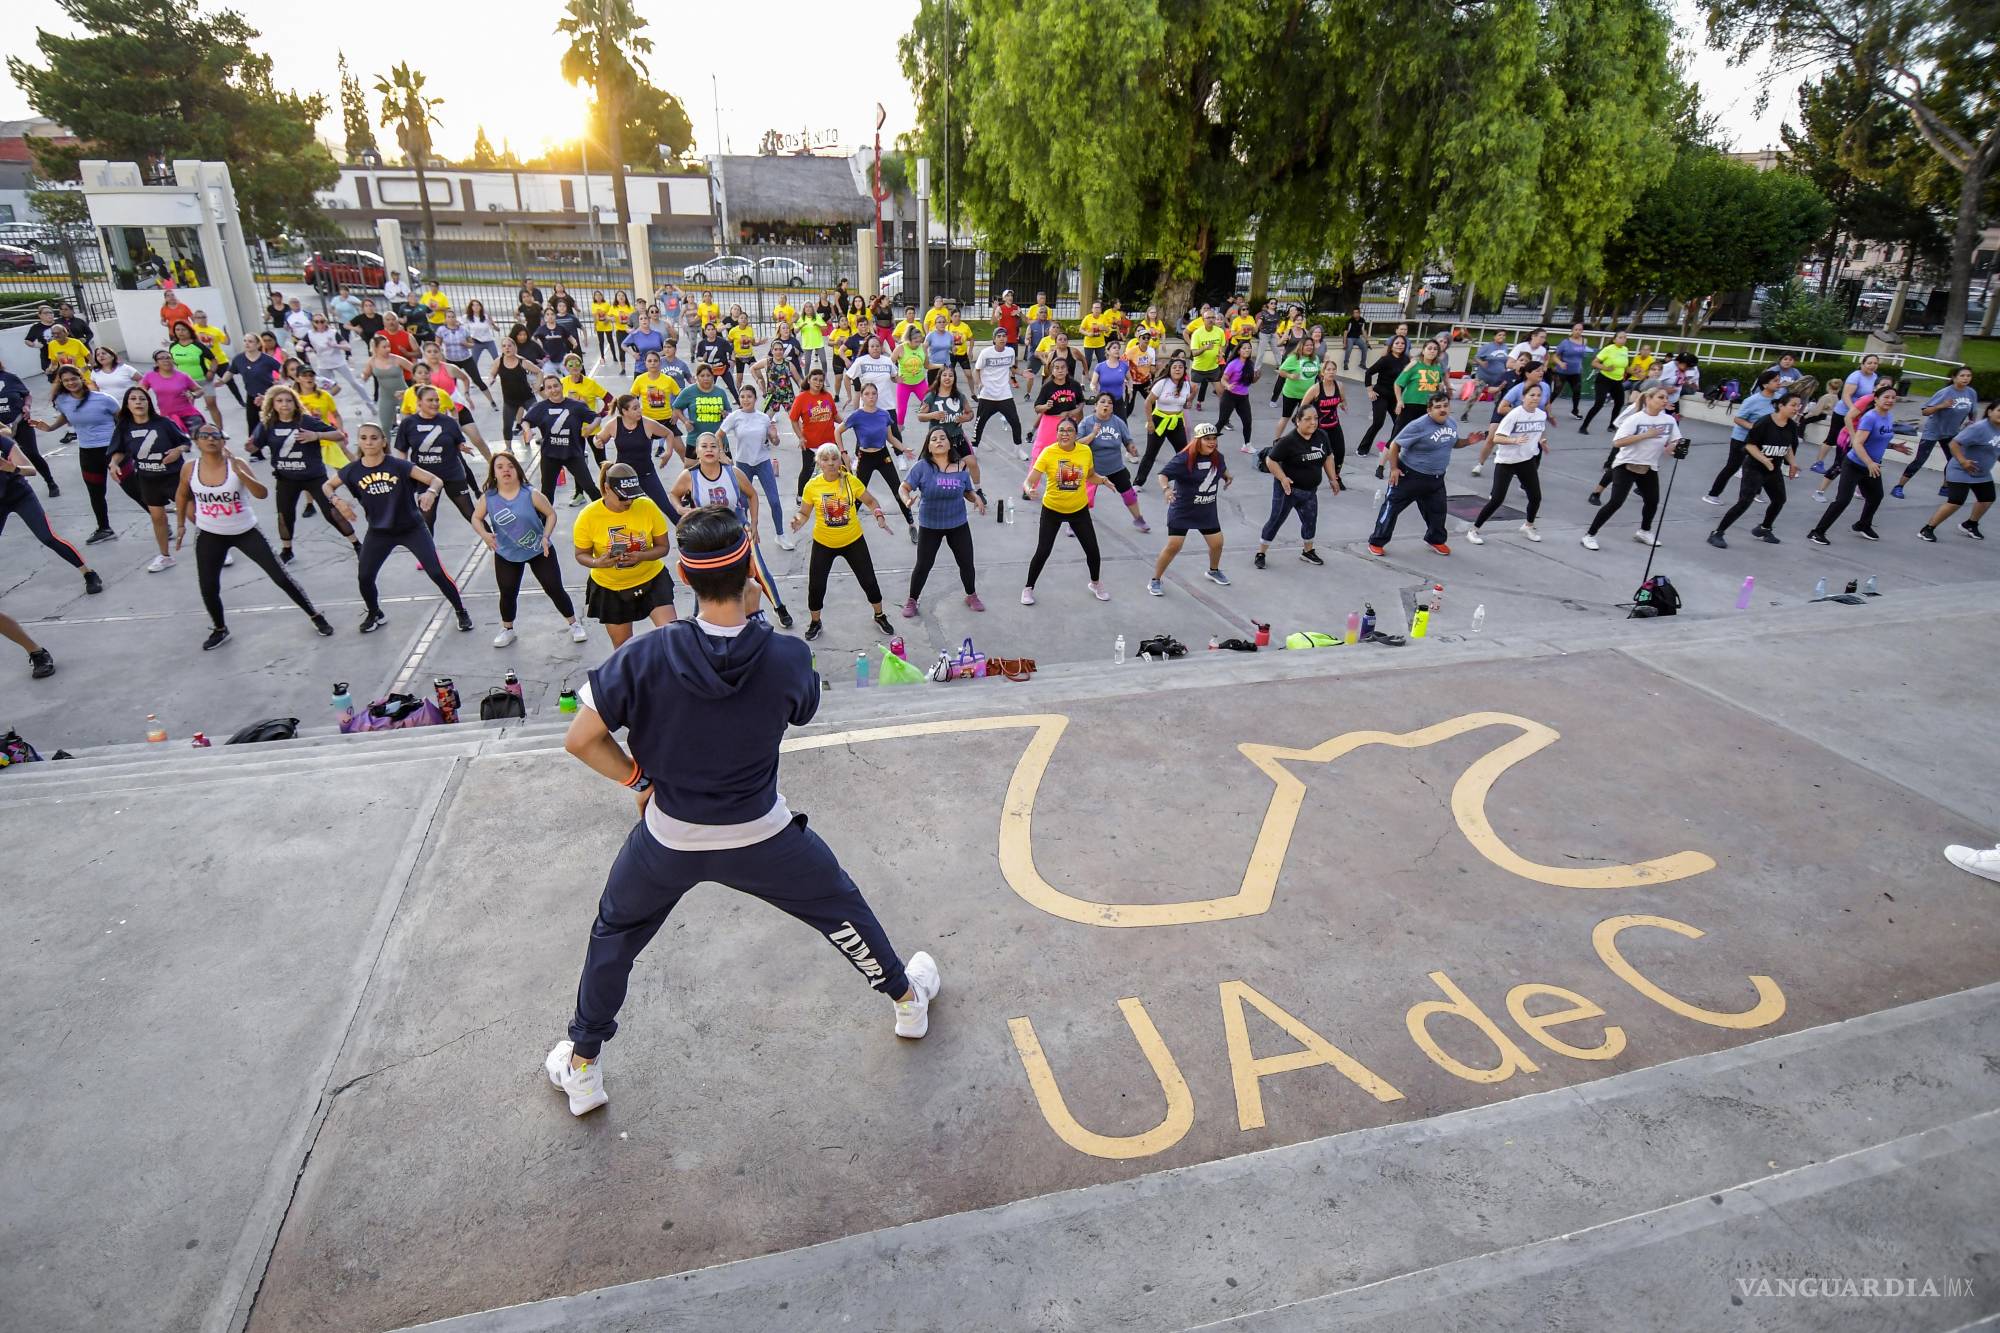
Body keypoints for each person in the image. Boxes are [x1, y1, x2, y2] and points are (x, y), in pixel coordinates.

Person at [542, 505, 942, 1118]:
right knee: (839, 908)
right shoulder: (785, 656)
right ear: (749, 569)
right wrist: (754, 622)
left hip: (669, 836)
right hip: (763, 832)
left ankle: (585, 1064)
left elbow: (580, 740)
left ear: (683, 574)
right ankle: (906, 1001)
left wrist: (638, 777)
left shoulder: (643, 657)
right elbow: (800, 706)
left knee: (616, 936)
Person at [171, 422, 333, 650]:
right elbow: (181, 494)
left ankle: (315, 615)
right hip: (210, 534)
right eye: (204, 436)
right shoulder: (189, 468)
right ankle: (220, 628)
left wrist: (240, 472)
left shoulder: (237, 464)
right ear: (196, 441)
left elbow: (261, 493)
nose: (210, 439)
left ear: (223, 440)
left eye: (215, 435)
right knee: (208, 586)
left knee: (281, 577)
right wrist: (181, 525)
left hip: (245, 530)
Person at [324, 423, 474, 635]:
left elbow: (435, 479)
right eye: (364, 437)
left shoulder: (399, 465)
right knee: (365, 576)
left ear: (384, 441)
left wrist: (430, 492)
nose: (369, 442)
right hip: (379, 532)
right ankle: (375, 612)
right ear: (359, 441)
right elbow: (327, 485)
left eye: (374, 438)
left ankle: (461, 610)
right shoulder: (352, 470)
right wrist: (337, 500)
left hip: (411, 528)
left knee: (436, 572)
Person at [671, 430, 793, 630]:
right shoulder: (689, 476)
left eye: (714, 446)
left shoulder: (733, 472)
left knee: (758, 570)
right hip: (708, 534)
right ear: (697, 452)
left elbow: (753, 495)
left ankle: (779, 607)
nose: (709, 449)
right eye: (705, 446)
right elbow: (674, 495)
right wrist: (679, 508)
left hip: (737, 528)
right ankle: (698, 618)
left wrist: (754, 524)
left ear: (721, 451)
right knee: (703, 575)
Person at [473, 450, 587, 647]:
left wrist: (545, 536)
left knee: (554, 588)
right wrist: (484, 534)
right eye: (500, 467)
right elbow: (476, 517)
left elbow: (551, 514)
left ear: (517, 470)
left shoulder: (531, 494)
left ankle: (574, 624)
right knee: (507, 591)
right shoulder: (489, 498)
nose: (505, 470)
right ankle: (507, 629)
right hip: (507, 553)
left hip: (538, 550)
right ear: (493, 472)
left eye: (509, 466)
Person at [793, 443, 896, 639]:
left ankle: (879, 615)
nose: (831, 463)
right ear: (819, 463)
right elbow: (804, 512)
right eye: (825, 460)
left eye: (834, 459)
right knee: (816, 586)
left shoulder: (851, 481)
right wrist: (797, 521)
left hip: (853, 540)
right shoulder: (812, 486)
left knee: (869, 580)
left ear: (840, 461)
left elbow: (871, 501)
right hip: (823, 543)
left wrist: (879, 516)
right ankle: (815, 622)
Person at [1368, 392, 1484, 557]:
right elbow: (1395, 445)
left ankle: (1435, 539)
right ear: (1429, 410)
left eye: (1445, 405)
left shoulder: (1451, 423)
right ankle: (1377, 542)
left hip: (1436, 478)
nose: (1442, 410)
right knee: (1391, 508)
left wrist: (1467, 442)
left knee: (1438, 511)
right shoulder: (1418, 426)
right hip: (1409, 476)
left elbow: (1453, 442)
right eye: (1438, 407)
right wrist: (1394, 469)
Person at [252, 385, 359, 563]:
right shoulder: (268, 424)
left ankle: (357, 544)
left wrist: (316, 435)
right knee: (284, 515)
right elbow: (254, 446)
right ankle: (287, 550)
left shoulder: (306, 421)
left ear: (295, 403)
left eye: (288, 400)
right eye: (279, 401)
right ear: (272, 404)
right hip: (286, 478)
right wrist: (250, 445)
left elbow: (338, 434)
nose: (284, 404)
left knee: (332, 513)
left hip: (314, 477)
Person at [574, 463, 677, 647]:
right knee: (623, 647)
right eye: (623, 497)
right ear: (607, 489)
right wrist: (598, 562)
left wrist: (642, 556)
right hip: (611, 588)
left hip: (651, 579)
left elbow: (663, 547)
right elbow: (581, 554)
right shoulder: (588, 516)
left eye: (633, 496)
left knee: (672, 635)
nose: (629, 502)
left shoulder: (647, 506)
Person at [0, 424, 103, 595]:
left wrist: (12, 468)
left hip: (20, 496)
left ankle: (89, 574)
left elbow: (31, 470)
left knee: (48, 537)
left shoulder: (3, 443)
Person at [1581, 385, 1682, 551]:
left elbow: (1674, 441)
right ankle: (1589, 535)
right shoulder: (1635, 419)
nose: (1665, 401)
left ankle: (1644, 531)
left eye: (1666, 398)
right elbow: (1618, 442)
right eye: (1661, 397)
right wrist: (1645, 435)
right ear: (1649, 399)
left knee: (1652, 501)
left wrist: (1674, 448)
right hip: (1626, 465)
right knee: (1615, 502)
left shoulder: (1669, 420)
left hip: (1648, 466)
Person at [1021, 418, 1110, 605]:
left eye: (1069, 430)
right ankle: (1028, 588)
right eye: (1061, 430)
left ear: (1076, 434)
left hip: (1078, 510)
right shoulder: (1049, 453)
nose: (1065, 434)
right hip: (1052, 509)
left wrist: (1103, 480)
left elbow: (1091, 475)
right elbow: (1029, 481)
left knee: (1093, 550)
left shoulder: (1085, 451)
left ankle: (1095, 583)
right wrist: (1029, 490)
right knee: (1043, 551)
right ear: (1057, 433)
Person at [899, 425, 986, 616]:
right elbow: (903, 487)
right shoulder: (922, 467)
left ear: (949, 443)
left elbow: (966, 491)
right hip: (931, 525)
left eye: (942, 438)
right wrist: (907, 499)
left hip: (957, 523)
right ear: (928, 447)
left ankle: (971, 595)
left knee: (966, 562)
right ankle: (912, 600)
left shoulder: (961, 466)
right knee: (923, 564)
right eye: (934, 439)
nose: (938, 441)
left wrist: (975, 497)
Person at [1808, 384, 1907, 546]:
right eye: (1886, 397)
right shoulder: (1870, 417)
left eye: (1893, 397)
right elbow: (1858, 444)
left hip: (1870, 466)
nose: (1890, 400)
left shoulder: (1888, 416)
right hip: (1855, 464)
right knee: (1843, 500)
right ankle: (1817, 532)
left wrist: (1893, 446)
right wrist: (1869, 462)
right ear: (1876, 399)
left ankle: (1863, 525)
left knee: (1876, 497)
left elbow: (1878, 438)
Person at [109, 386, 193, 572]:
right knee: (157, 518)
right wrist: (114, 464)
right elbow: (119, 450)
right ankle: (165, 556)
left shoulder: (163, 423)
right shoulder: (124, 426)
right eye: (133, 399)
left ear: (149, 402)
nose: (138, 402)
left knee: (192, 514)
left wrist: (177, 451)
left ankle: (219, 547)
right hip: (148, 479)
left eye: (142, 398)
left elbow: (186, 443)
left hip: (174, 477)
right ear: (127, 404)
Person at [32, 366, 120, 541]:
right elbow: (66, 416)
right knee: (95, 492)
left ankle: (159, 517)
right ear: (62, 383)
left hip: (112, 450)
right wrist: (50, 428)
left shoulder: (103, 399)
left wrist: (123, 445)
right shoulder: (62, 400)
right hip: (88, 452)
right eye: (66, 380)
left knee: (134, 487)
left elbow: (122, 420)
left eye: (74, 378)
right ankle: (104, 528)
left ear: (81, 378)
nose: (71, 383)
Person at [1707, 391, 1803, 549]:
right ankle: (1717, 532)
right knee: (1745, 501)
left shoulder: (1792, 426)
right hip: (1755, 467)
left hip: (1773, 468)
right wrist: (1764, 459)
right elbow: (1750, 445)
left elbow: (1788, 447)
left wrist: (1792, 464)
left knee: (1779, 499)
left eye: (1798, 406)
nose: (1796, 409)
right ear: (1781, 405)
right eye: (1793, 405)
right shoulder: (1764, 422)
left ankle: (1764, 528)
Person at [1149, 421, 1233, 593]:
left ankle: (1213, 571)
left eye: (1214, 439)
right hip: (1183, 509)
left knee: (1217, 543)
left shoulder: (1218, 456)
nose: (1212, 442)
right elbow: (1163, 474)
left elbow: (1220, 469)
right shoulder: (1184, 458)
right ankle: (1155, 580)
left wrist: (1227, 476)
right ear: (1198, 440)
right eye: (1207, 439)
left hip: (1206, 510)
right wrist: (1166, 490)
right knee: (1174, 546)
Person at [1254, 403, 1340, 570]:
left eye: (1315, 418)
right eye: (1308, 419)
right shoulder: (1288, 441)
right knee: (1276, 520)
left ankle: (1307, 552)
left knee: (1310, 521)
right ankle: (1261, 553)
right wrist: (1283, 478)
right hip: (1288, 491)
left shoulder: (1321, 435)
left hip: (1309, 492)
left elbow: (1328, 457)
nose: (1313, 423)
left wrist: (1332, 479)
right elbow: (1270, 460)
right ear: (1298, 421)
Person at [1465, 380, 1549, 545]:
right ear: (1523, 397)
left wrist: (1542, 441)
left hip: (1526, 460)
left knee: (1536, 497)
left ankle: (1528, 526)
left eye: (1539, 395)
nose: (1535, 398)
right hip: (1506, 461)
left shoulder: (1541, 415)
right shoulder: (1514, 414)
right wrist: (1514, 440)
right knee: (1497, 499)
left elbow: (1538, 432)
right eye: (1532, 395)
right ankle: (1473, 530)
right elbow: (1497, 437)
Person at [394, 386, 480, 535]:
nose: (435, 403)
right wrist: (404, 474)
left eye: (436, 400)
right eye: (430, 400)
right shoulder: (408, 424)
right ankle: (428, 557)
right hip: (425, 478)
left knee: (470, 513)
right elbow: (402, 451)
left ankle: (496, 544)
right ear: (419, 403)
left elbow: (458, 442)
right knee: (426, 519)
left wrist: (462, 447)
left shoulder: (448, 422)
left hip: (452, 474)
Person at [1917, 398, 1999, 543]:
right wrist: (1963, 461)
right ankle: (1927, 529)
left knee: (1987, 498)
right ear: (1990, 411)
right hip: (1960, 470)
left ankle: (1970, 524)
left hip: (1981, 473)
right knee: (1955, 501)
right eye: (1999, 411)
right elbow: (1954, 443)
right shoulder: (1979, 428)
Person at [520, 372, 601, 507]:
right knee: (546, 493)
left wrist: (591, 427)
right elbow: (525, 420)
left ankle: (605, 515)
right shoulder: (541, 407)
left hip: (573, 454)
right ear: (545, 390)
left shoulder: (576, 406)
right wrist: (527, 430)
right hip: (550, 456)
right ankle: (543, 522)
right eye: (549, 387)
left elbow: (596, 417)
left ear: (562, 386)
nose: (553, 390)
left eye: (556, 386)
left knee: (590, 487)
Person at [720, 382, 786, 547]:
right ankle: (744, 537)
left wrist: (774, 436)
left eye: (749, 396)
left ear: (755, 399)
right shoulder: (734, 416)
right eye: (742, 397)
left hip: (762, 462)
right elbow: (717, 435)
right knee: (742, 503)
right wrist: (722, 454)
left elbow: (775, 441)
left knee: (774, 501)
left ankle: (780, 534)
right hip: (743, 465)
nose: (745, 399)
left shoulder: (763, 418)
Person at [843, 381, 912, 535]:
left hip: (883, 455)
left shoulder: (884, 414)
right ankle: (846, 526)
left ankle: (911, 523)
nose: (871, 397)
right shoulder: (857, 416)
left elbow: (890, 437)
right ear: (862, 396)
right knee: (859, 495)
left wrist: (903, 448)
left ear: (877, 396)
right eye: (867, 394)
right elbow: (837, 432)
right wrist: (843, 452)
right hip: (865, 457)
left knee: (898, 489)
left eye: (874, 394)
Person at [596, 392, 679, 519]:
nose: (639, 410)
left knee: (666, 507)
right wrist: (598, 442)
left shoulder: (647, 424)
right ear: (624, 411)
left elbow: (669, 434)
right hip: (623, 477)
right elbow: (599, 438)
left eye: (639, 406)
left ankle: (688, 535)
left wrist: (668, 452)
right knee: (622, 510)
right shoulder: (614, 424)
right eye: (635, 408)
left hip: (646, 474)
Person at [1704, 369, 1782, 504]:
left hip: (1762, 441)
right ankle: (1713, 494)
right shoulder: (1752, 400)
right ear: (1764, 384)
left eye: (1779, 380)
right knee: (1732, 466)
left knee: (1762, 465)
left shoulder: (1778, 399)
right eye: (1775, 381)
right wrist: (1757, 428)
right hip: (1742, 439)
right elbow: (1738, 419)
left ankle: (1756, 492)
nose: (1778, 383)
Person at [1899, 367, 1979, 498]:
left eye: (1968, 376)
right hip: (1933, 431)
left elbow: (1973, 410)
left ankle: (1945, 487)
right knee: (1920, 460)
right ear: (1954, 378)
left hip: (1951, 433)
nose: (1966, 378)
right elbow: (1925, 411)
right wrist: (1940, 406)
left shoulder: (1971, 393)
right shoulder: (1945, 392)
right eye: (1962, 375)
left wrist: (1972, 421)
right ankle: (1899, 486)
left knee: (1953, 460)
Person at [1079, 390, 1148, 532]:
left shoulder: (1118, 422)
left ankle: (1139, 519)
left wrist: (1131, 448)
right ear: (1095, 405)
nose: (1106, 405)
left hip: (1115, 467)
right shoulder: (1087, 422)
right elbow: (1077, 443)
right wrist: (1093, 434)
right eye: (1103, 402)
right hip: (1093, 468)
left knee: (1129, 494)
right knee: (1083, 498)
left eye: (1110, 403)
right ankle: (1075, 524)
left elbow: (1127, 440)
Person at [1812, 354, 1881, 470]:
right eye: (1869, 363)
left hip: (1860, 415)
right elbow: (1845, 395)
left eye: (1875, 363)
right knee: (1832, 438)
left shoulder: (1875, 377)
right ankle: (1818, 463)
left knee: (1850, 441)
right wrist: (1853, 409)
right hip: (1843, 412)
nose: (1872, 366)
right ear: (1862, 364)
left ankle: (1839, 465)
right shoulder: (1855, 376)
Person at [1136, 357, 1194, 486]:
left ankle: (1186, 479)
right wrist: (1150, 422)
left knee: (1184, 453)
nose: (1177, 369)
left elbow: (1184, 404)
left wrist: (1188, 403)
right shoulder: (1162, 383)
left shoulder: (1186, 385)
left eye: (1180, 367)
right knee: (1150, 454)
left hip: (1176, 422)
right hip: (1159, 421)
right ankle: (1138, 483)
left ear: (1185, 370)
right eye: (1175, 367)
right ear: (1170, 370)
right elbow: (1148, 402)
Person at [787, 367, 842, 497]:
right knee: (807, 470)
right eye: (815, 379)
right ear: (809, 380)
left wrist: (848, 423)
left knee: (836, 469)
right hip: (810, 443)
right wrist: (800, 437)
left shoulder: (827, 396)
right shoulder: (801, 398)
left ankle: (837, 494)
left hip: (829, 443)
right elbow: (794, 420)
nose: (818, 383)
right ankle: (801, 496)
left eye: (821, 380)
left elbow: (835, 415)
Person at [1578, 331, 1633, 435]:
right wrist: (1606, 368)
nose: (1623, 339)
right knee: (1599, 404)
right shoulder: (1608, 349)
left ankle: (1612, 425)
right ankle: (1584, 426)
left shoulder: (1625, 350)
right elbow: (1594, 363)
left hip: (1617, 381)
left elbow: (1625, 366)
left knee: (1619, 403)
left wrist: (1634, 371)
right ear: (1614, 339)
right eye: (1620, 337)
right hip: (1604, 380)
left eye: (1625, 337)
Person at [1214, 339, 1258, 447]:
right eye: (1244, 348)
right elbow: (1223, 379)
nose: (1247, 350)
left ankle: (1247, 445)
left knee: (1247, 422)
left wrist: (1257, 377)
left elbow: (1250, 381)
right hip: (1230, 396)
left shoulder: (1250, 364)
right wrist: (1228, 386)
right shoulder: (1233, 364)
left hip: (1243, 397)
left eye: (1249, 348)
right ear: (1239, 351)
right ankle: (1208, 442)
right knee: (1222, 421)